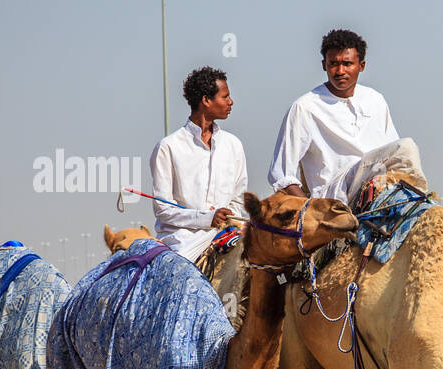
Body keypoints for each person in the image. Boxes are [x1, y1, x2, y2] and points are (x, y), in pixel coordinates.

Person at [268, 28, 424, 207]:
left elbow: (392, 151)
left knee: (403, 157)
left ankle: (417, 205)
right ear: (324, 65)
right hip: (335, 193)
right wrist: (314, 210)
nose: (340, 70)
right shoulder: (305, 107)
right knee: (407, 147)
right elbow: (280, 174)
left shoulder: (375, 99)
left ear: (361, 66)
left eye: (347, 64)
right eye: (333, 63)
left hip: (378, 186)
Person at [148, 66, 247, 265]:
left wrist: (229, 220)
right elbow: (163, 209)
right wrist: (206, 218)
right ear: (206, 100)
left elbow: (239, 199)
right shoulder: (168, 147)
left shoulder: (233, 145)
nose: (230, 102)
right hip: (184, 243)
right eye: (225, 97)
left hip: (228, 235)